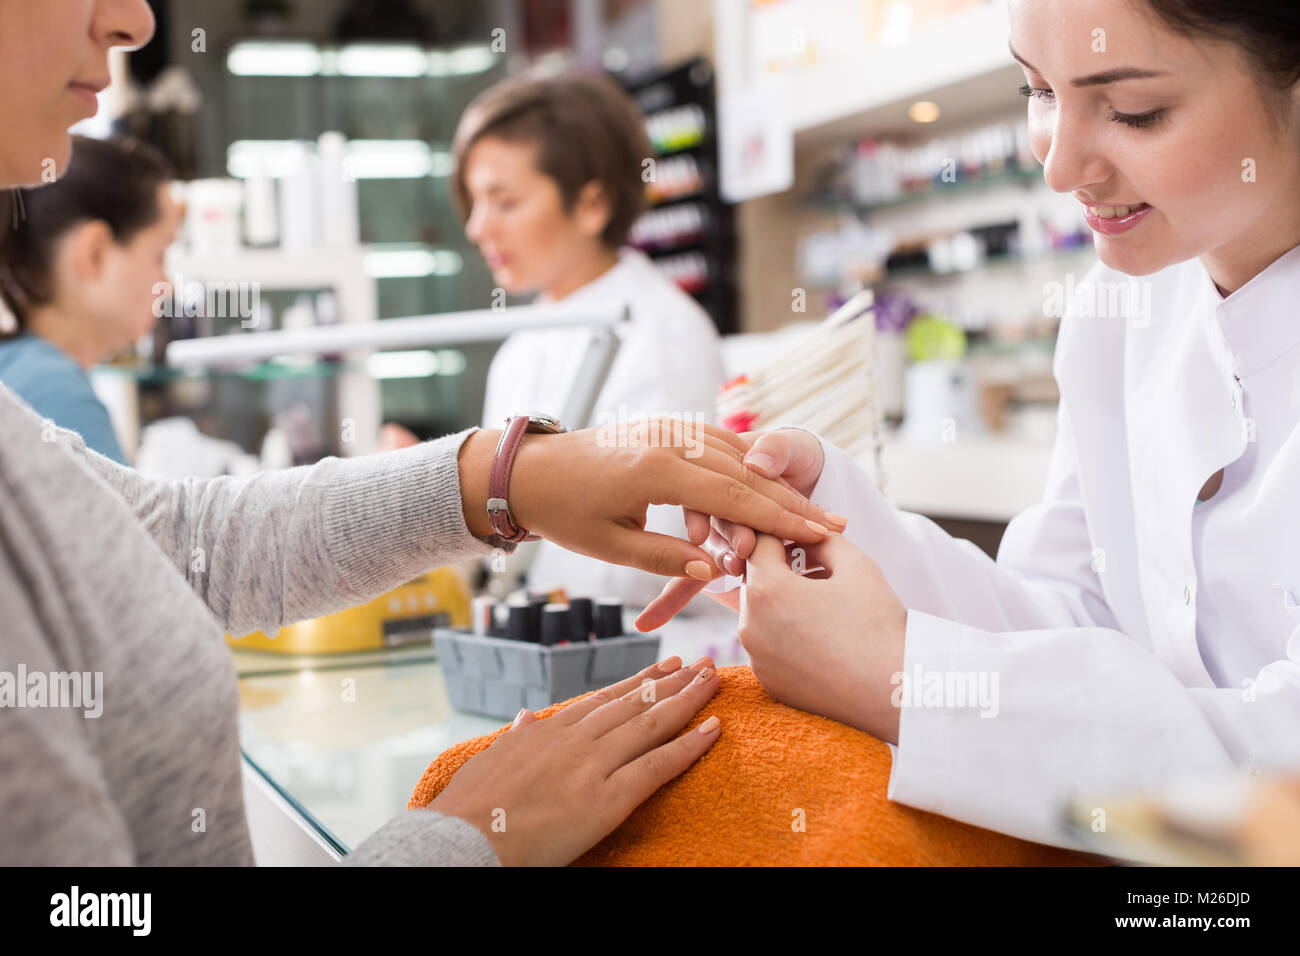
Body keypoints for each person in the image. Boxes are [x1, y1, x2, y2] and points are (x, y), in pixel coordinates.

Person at [0, 0, 843, 866]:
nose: (136, 20)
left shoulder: (651, 330)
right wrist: (466, 838)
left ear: (592, 200)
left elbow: (180, 544)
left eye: (504, 199)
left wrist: (499, 480)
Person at [643, 0, 1300, 850]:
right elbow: (1074, 621)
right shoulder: (1123, 305)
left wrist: (903, 683)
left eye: (1134, 110)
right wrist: (827, 521)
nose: (1058, 167)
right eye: (1038, 92)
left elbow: (1279, 791)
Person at [452, 71, 728, 609]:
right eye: (473, 201)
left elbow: (655, 552)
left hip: (637, 638)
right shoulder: (524, 343)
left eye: (504, 202)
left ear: (592, 204)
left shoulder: (662, 333)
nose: (477, 228)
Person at [0, 134, 179, 463]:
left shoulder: (21, 372)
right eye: (159, 255)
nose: (168, 287)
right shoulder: (58, 396)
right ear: (95, 253)